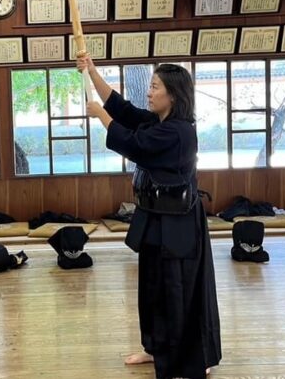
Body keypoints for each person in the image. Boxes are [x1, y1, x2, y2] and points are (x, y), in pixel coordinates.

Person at [78, 56, 221, 379]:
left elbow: (134, 144)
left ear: (173, 95)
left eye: (155, 87)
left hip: (179, 224)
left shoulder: (179, 132)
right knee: (153, 288)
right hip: (157, 219)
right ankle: (155, 347)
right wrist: (91, 71)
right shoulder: (160, 122)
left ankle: (191, 358)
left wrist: (99, 114)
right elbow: (123, 110)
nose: (149, 92)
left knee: (178, 290)